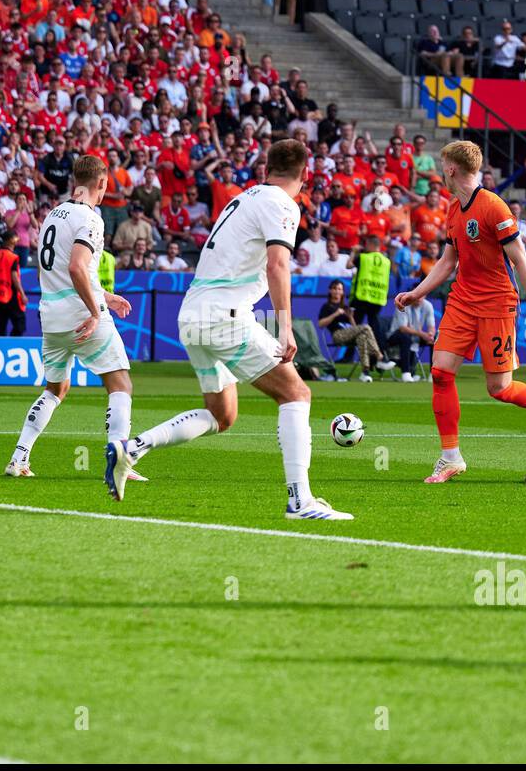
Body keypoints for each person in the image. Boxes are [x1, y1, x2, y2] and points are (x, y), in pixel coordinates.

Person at [107, 139, 352, 521]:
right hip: (225, 316)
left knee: (222, 415)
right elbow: (277, 266)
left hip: (192, 315)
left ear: (265, 167)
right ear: (306, 174)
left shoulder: (243, 197)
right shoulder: (282, 204)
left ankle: (132, 448)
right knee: (296, 393)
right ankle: (300, 501)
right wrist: (285, 328)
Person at [393, 140, 526, 485]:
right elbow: (448, 261)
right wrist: (417, 292)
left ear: (452, 168)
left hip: (498, 303)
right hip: (461, 300)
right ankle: (450, 457)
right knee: (440, 373)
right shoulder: (454, 209)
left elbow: (521, 260)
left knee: (499, 388)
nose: (442, 171)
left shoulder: (494, 207)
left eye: (444, 166)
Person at [6, 155, 142, 481]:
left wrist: (105, 295)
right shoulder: (91, 219)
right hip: (82, 315)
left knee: (56, 388)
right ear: (102, 184)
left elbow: (63, 268)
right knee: (120, 381)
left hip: (51, 315)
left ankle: (19, 457)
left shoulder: (53, 214)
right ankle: (119, 460)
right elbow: (76, 267)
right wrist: (97, 311)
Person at [317, 279, 391, 382]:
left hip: (349, 333)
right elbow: (320, 324)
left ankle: (365, 372)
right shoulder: (327, 306)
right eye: (334, 288)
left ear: (342, 292)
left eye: (339, 289)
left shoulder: (345, 307)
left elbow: (354, 327)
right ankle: (379, 356)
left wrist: (350, 317)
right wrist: (335, 314)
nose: (337, 291)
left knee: (362, 337)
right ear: (330, 291)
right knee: (365, 327)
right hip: (338, 335)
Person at [390, 292, 436, 382]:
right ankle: (406, 373)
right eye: (417, 295)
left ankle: (433, 373)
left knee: (435, 339)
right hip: (395, 335)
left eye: (421, 295)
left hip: (415, 336)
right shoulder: (403, 304)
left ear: (425, 295)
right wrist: (422, 334)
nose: (419, 298)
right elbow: (403, 328)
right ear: (412, 295)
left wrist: (431, 335)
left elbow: (432, 326)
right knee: (405, 338)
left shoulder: (428, 306)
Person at [0, 231, 26, 337]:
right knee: (19, 325)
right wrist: (22, 294)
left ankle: (1, 346)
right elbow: (14, 276)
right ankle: (14, 345)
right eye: (15, 238)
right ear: (10, 240)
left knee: (0, 326)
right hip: (10, 295)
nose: (17, 240)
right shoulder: (12, 257)